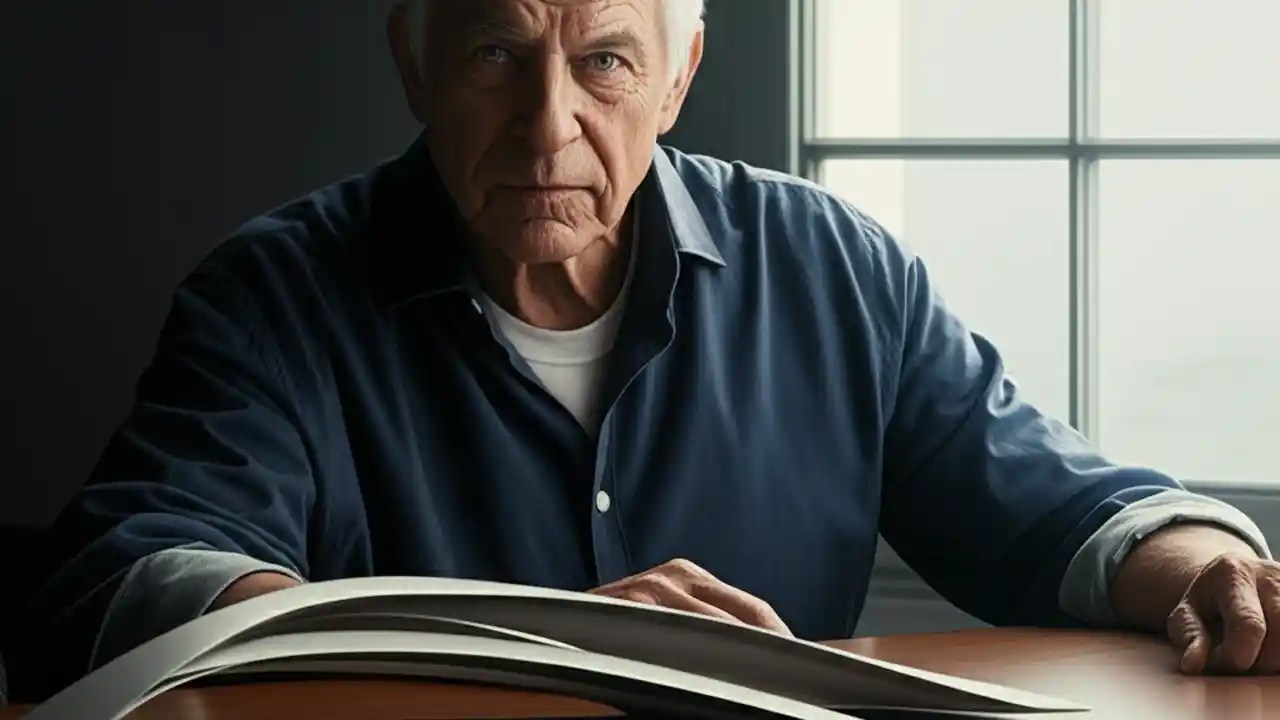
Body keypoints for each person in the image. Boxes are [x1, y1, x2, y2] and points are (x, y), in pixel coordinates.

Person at [23, 0, 1280, 697]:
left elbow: (1058, 512)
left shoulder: (832, 267)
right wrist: (519, 642)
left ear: (676, 79)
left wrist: (1213, 567)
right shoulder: (275, 291)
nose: (547, 126)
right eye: (496, 56)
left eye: (604, 62)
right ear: (414, 62)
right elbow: (133, 577)